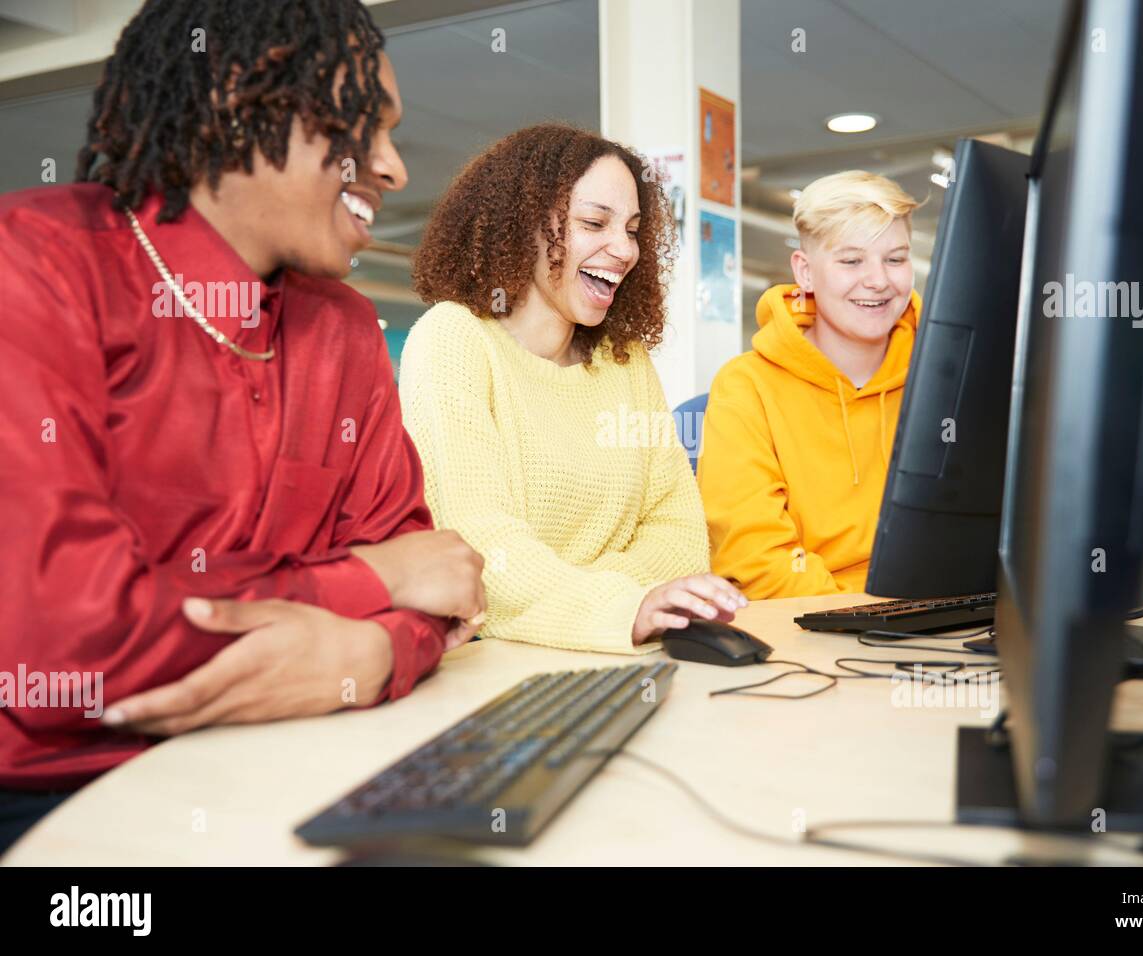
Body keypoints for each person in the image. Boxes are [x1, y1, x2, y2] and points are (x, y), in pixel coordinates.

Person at [0, 0, 484, 854]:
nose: (394, 166)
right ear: (238, 96)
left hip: (302, 744)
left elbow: (439, 584)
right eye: (364, 125)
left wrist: (366, 659)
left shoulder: (342, 329)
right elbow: (67, 648)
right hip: (53, 796)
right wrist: (366, 582)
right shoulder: (36, 265)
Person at [400, 124, 746, 653]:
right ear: (523, 228)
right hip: (499, 665)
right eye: (594, 223)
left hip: (624, 649)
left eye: (632, 229)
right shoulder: (454, 340)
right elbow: (480, 546)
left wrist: (607, 601)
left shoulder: (624, 362)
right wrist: (625, 603)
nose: (624, 249)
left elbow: (682, 537)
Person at [697, 171, 923, 597]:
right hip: (810, 629)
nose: (878, 280)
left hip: (943, 620)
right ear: (805, 272)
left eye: (895, 259)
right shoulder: (748, 386)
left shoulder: (944, 377)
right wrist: (865, 616)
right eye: (852, 260)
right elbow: (756, 558)